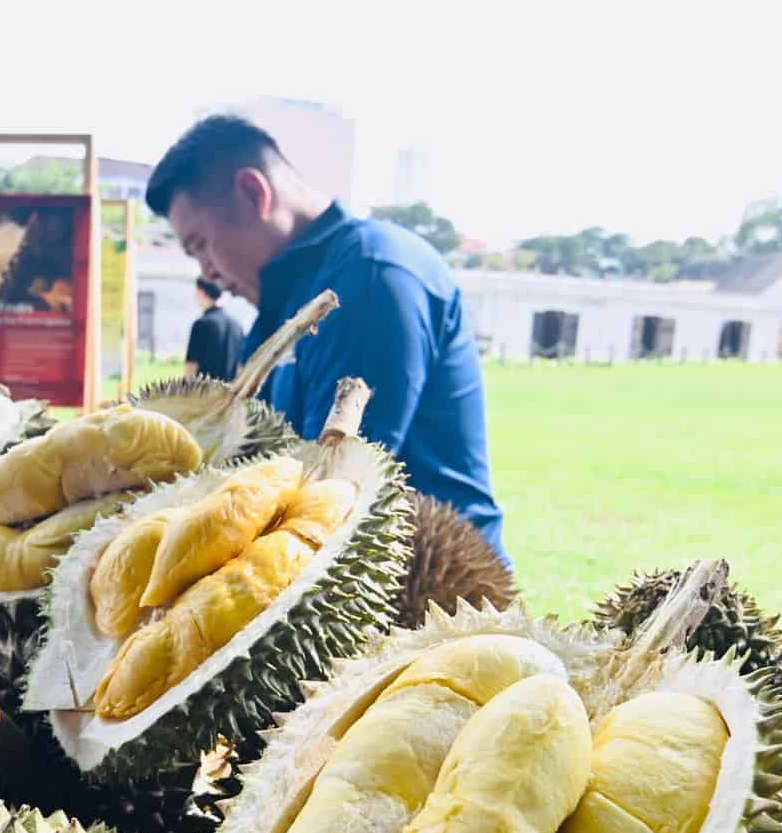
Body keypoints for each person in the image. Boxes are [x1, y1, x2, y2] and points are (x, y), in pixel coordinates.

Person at [145, 115, 510, 567]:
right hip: (338, 582)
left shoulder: (370, 278)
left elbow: (331, 488)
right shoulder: (281, 306)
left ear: (254, 193)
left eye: (200, 244)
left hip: (428, 595)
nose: (207, 272)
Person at [184, 277, 245, 381]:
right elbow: (241, 366)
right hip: (230, 392)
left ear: (201, 292)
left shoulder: (201, 324)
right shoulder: (237, 325)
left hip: (205, 394)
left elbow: (191, 366)